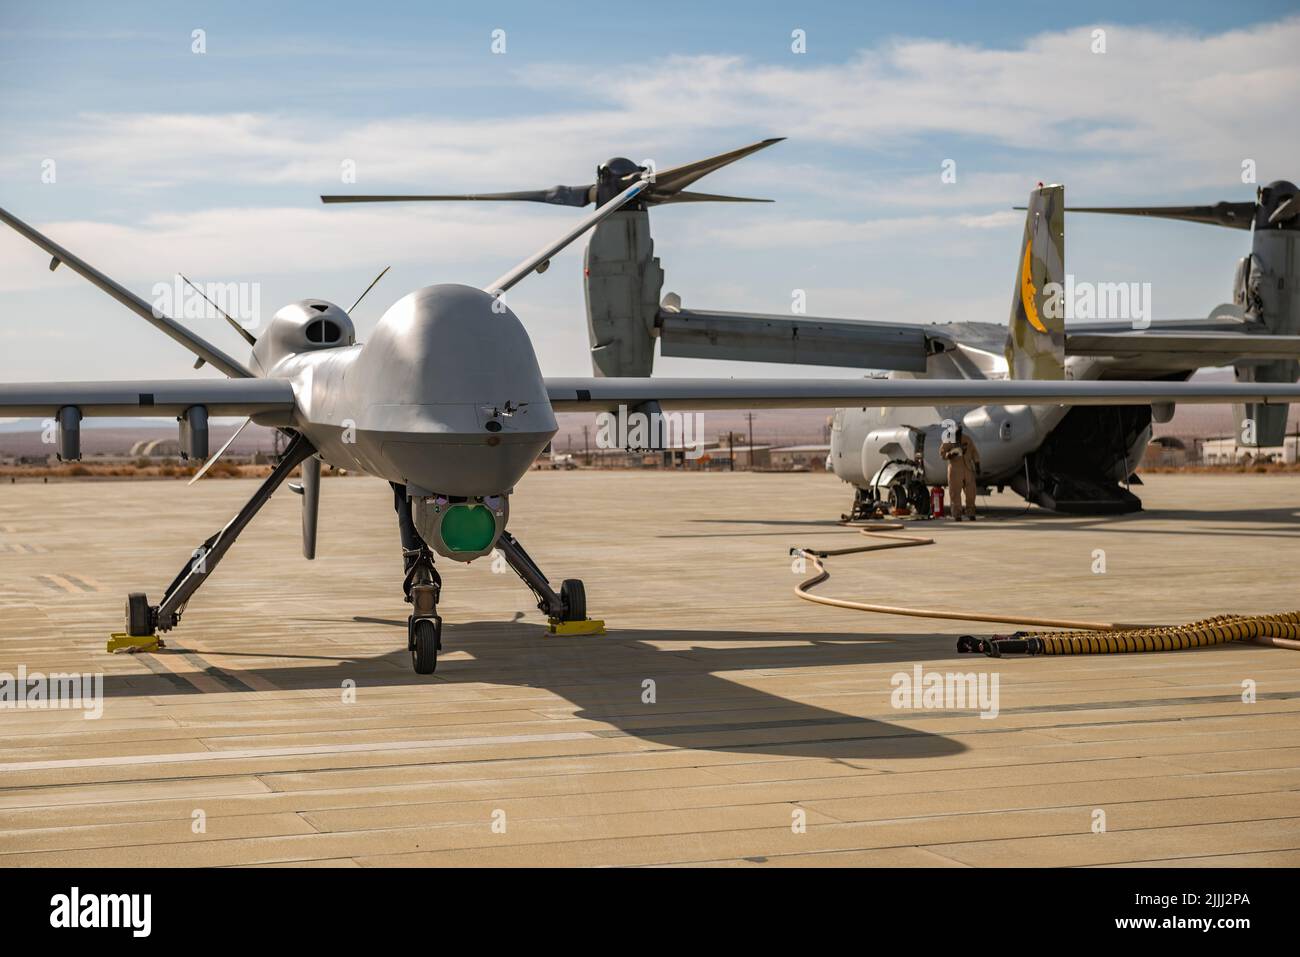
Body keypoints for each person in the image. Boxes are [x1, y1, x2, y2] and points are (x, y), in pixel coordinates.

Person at [939, 426, 980, 521]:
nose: (957, 435)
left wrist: (977, 465)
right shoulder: (948, 441)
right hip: (955, 469)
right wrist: (949, 455)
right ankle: (957, 514)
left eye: (959, 433)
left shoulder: (967, 439)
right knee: (955, 492)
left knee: (971, 492)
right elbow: (942, 453)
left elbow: (974, 452)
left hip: (967, 468)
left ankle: (971, 512)